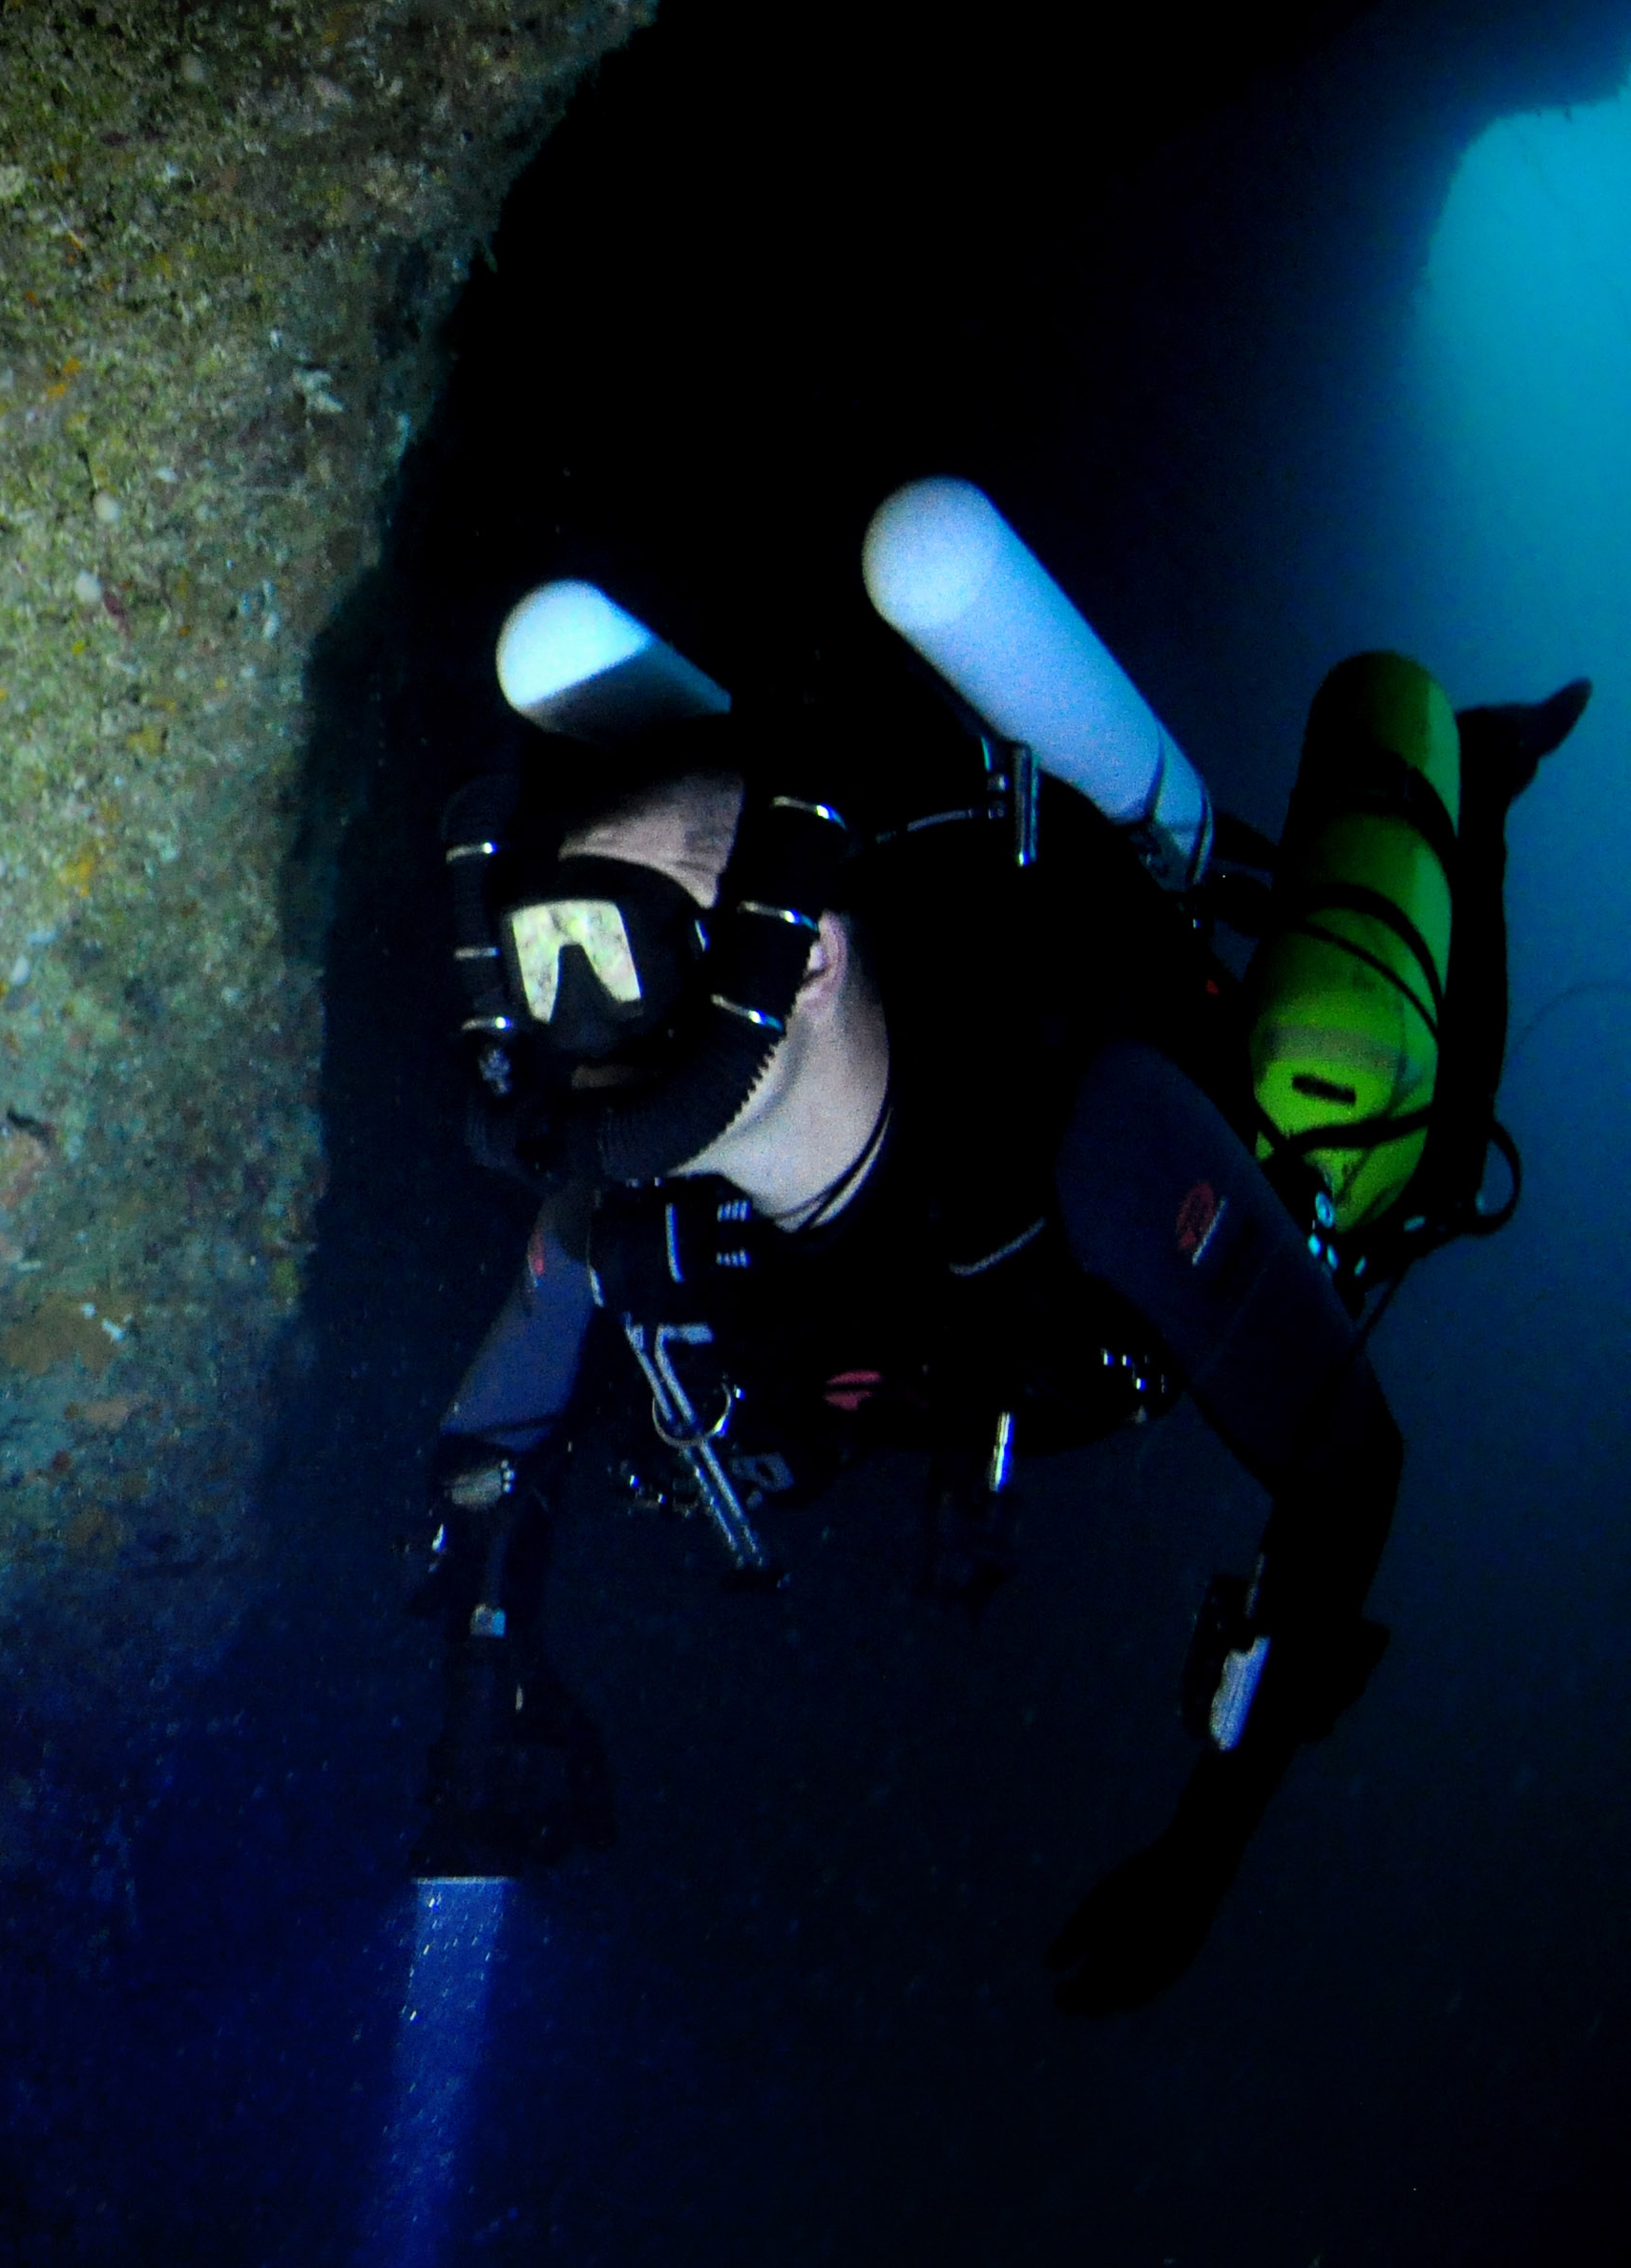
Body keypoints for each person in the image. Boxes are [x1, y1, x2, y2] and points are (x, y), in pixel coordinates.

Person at [407, 680, 1588, 2014]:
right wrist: (490, 1668)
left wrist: (1207, 1848)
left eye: (615, 948)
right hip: (946, 1361)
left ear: (805, 958)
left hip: (1081, 1313)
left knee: (1405, 1174)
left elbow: (1351, 1462)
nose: (576, 1019)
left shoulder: (1091, 1138)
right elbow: (491, 1434)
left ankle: (1469, 786)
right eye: (543, 958)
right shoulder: (627, 1210)